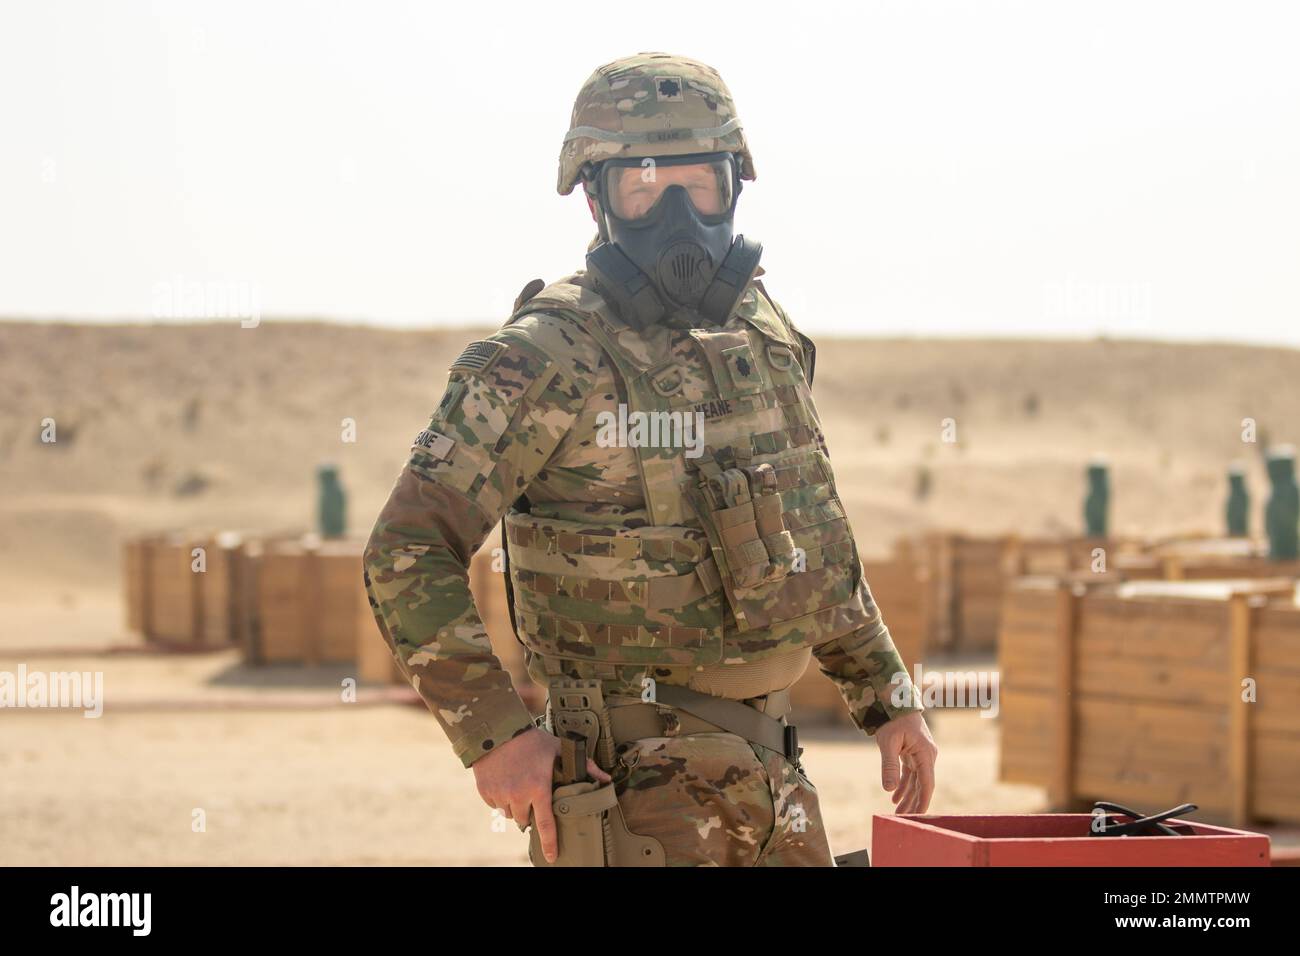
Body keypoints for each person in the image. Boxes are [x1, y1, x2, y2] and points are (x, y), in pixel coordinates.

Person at [364, 51, 937, 867]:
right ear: (596, 196)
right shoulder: (547, 355)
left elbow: (807, 541)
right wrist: (495, 735)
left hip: (776, 782)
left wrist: (889, 702)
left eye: (696, 183)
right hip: (629, 794)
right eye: (642, 183)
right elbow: (407, 547)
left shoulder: (762, 333)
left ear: (732, 184)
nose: (674, 210)